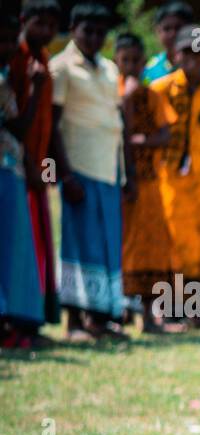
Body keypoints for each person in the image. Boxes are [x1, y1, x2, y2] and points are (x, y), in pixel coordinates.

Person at [51, 3, 128, 342]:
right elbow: (52, 127)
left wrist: (124, 175)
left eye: (101, 32)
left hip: (108, 171)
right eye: (88, 31)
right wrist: (63, 176)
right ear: (73, 30)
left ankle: (100, 319)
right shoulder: (61, 69)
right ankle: (74, 323)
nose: (95, 38)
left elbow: (115, 122)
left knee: (106, 245)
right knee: (79, 244)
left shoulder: (110, 70)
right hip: (78, 171)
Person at [154, 25, 200, 327]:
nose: (193, 61)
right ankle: (171, 309)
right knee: (175, 242)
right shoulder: (160, 90)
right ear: (176, 54)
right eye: (187, 54)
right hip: (171, 180)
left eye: (199, 55)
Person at [115, 31, 182, 334]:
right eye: (124, 60)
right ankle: (118, 313)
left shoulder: (153, 96)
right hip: (119, 184)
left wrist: (141, 139)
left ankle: (150, 316)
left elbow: (165, 135)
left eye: (135, 61)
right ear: (116, 61)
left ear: (143, 63)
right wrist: (126, 100)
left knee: (153, 249)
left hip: (150, 185)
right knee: (123, 248)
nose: (130, 66)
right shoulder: (111, 94)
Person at [10, 0, 64, 334]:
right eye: (39, 24)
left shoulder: (44, 60)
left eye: (51, 26)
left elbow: (49, 125)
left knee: (42, 238)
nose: (46, 32)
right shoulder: (16, 60)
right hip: (20, 165)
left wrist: (48, 171)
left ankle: (38, 315)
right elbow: (17, 122)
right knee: (25, 242)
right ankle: (20, 319)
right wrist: (31, 166)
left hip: (40, 165)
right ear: (23, 21)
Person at [0, 12, 45, 348]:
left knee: (15, 248)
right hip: (6, 170)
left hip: (12, 168)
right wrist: (36, 88)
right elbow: (19, 126)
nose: (8, 45)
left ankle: (16, 323)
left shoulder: (7, 75)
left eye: (11, 38)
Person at [142, 1, 200, 92]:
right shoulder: (150, 69)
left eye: (178, 27)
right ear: (158, 31)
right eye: (167, 28)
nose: (172, 34)